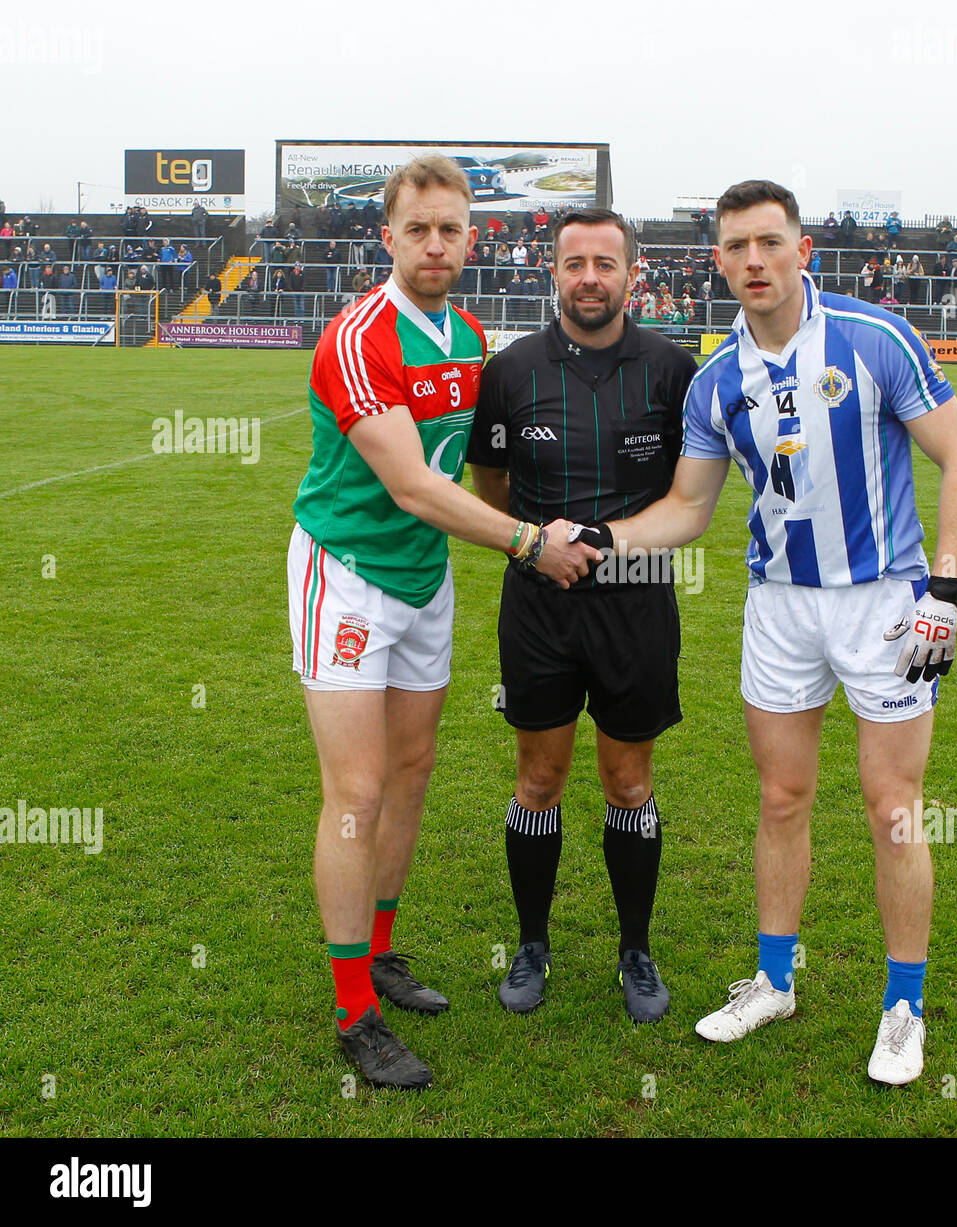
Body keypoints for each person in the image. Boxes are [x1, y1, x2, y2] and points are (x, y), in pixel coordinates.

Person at [586, 180, 957, 1086]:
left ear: (804, 250)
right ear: (718, 261)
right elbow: (688, 506)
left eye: (770, 242)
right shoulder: (716, 380)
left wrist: (947, 594)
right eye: (737, 246)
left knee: (892, 807)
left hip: (888, 602)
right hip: (778, 606)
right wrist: (605, 539)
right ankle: (773, 980)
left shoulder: (873, 338)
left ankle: (904, 1004)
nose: (754, 260)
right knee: (780, 799)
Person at [286, 155, 600, 1091]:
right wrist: (527, 541)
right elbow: (414, 483)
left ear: (472, 236)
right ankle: (352, 1013)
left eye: (450, 229)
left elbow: (485, 465)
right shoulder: (357, 336)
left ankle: (379, 953)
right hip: (345, 576)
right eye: (417, 228)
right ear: (387, 237)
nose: (435, 244)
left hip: (424, 585)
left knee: (412, 769)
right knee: (357, 789)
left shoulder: (467, 334)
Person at [467, 208, 698, 1024]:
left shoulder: (675, 369)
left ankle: (636, 949)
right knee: (539, 776)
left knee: (629, 779)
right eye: (575, 263)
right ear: (553, 272)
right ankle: (533, 943)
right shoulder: (511, 369)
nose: (590, 277)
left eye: (606, 262)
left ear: (632, 273)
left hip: (637, 599)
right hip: (539, 604)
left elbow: (690, 492)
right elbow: (489, 487)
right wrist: (536, 546)